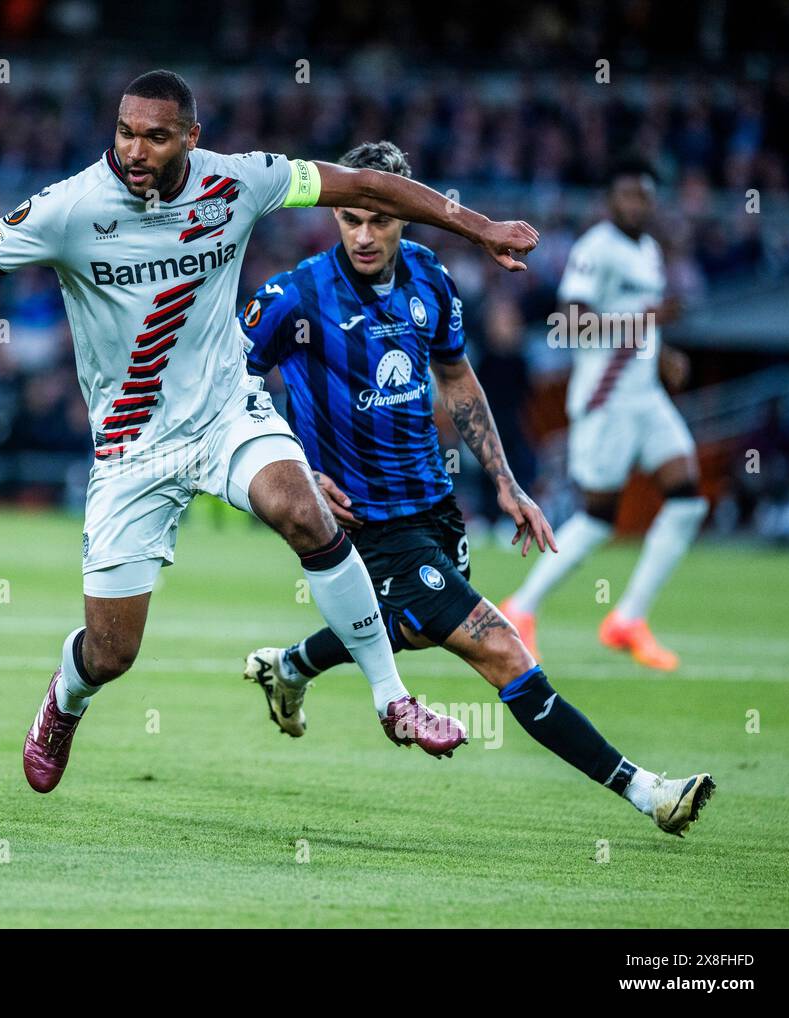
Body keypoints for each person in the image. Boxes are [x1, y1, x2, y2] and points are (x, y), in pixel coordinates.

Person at [0, 70, 540, 795]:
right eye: (126, 133)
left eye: (156, 137)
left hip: (228, 414)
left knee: (302, 509)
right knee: (112, 651)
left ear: (191, 138)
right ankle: (65, 702)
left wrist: (481, 227)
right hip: (133, 446)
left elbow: (367, 188)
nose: (135, 150)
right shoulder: (69, 208)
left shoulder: (241, 181)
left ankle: (393, 701)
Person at [240, 141, 714, 837]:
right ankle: (647, 792)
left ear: (407, 214)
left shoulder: (429, 278)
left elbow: (457, 378)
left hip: (434, 504)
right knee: (500, 649)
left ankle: (289, 667)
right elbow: (228, 381)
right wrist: (294, 470)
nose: (365, 235)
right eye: (350, 219)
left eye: (381, 219)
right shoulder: (295, 295)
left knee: (406, 627)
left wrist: (507, 482)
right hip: (364, 523)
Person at [501, 157, 706, 671]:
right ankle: (520, 609)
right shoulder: (596, 249)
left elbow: (640, 326)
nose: (636, 204)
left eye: (644, 196)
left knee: (687, 498)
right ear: (609, 200)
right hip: (606, 400)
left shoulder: (650, 251)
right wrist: (648, 318)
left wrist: (662, 352)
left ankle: (629, 619)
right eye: (627, 195)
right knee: (597, 519)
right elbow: (571, 325)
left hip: (645, 397)